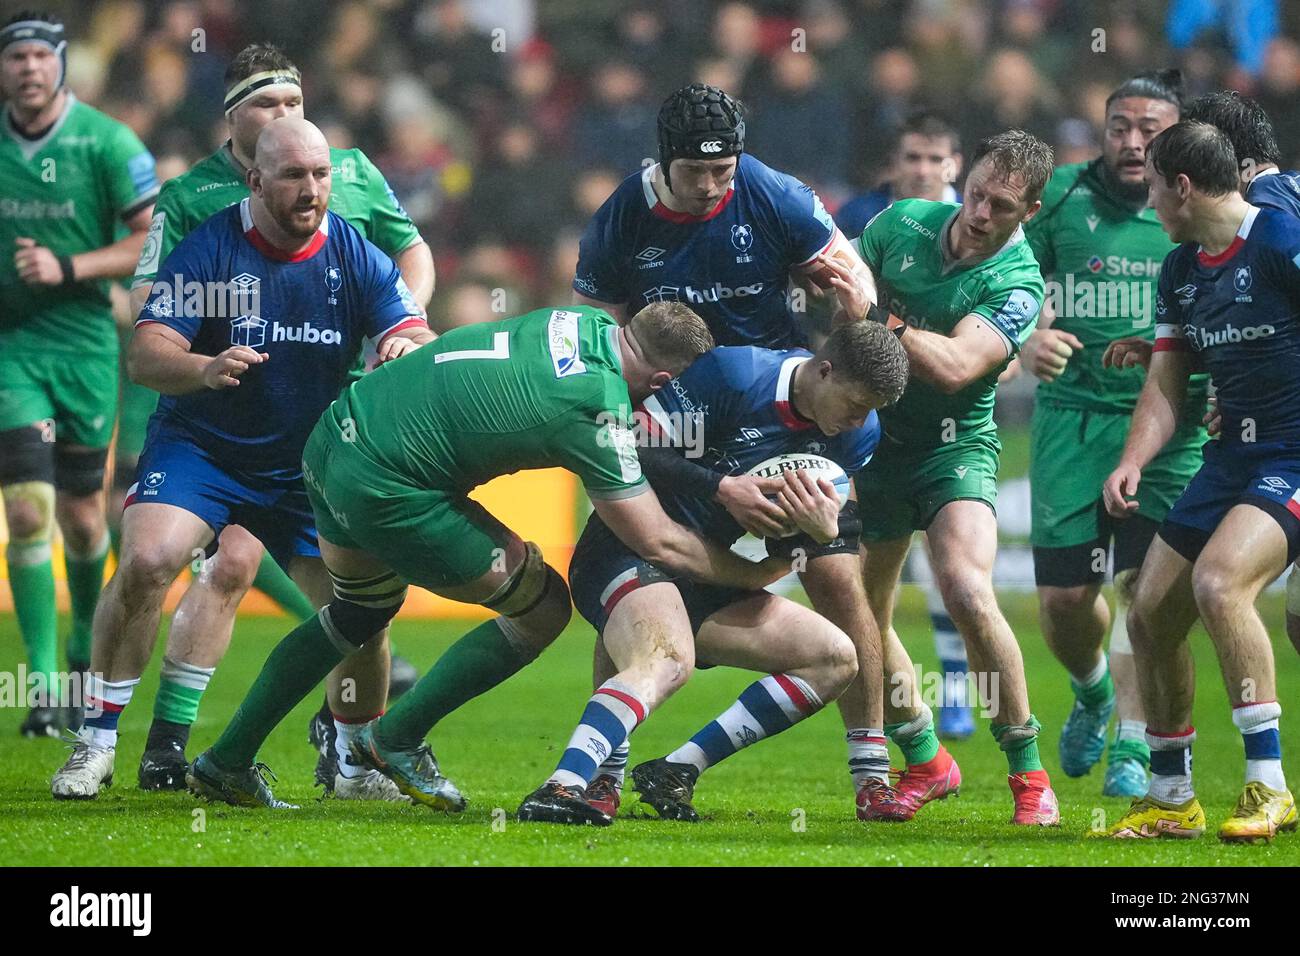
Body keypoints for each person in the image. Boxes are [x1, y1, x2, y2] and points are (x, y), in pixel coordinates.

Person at [186, 303, 793, 810]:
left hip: (336, 439)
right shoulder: (596, 406)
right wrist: (760, 572)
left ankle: (226, 761)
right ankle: (395, 737)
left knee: (357, 610)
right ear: (662, 381)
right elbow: (656, 539)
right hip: (393, 486)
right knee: (545, 608)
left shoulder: (573, 322)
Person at [49, 118, 433, 801]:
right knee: (147, 560)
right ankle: (97, 741)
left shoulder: (354, 253)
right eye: (293, 176)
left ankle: (353, 765)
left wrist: (403, 344)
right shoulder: (211, 250)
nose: (312, 189)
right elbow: (145, 354)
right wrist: (203, 366)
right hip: (205, 449)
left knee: (366, 611)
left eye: (321, 175)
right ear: (256, 180)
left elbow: (410, 322)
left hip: (308, 464)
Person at [571, 82, 913, 816]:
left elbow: (857, 293)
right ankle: (605, 774)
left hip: (786, 413)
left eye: (725, 170)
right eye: (697, 173)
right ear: (665, 162)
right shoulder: (621, 218)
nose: (713, 186)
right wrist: (616, 426)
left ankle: (871, 773)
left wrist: (852, 310)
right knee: (638, 575)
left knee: (840, 581)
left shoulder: (777, 195)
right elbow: (595, 340)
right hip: (678, 416)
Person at [523, 320, 910, 826]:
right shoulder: (734, 375)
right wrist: (721, 487)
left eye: (870, 412)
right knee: (664, 657)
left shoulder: (856, 434)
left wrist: (820, 534)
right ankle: (567, 784)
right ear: (825, 370)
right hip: (626, 549)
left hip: (703, 571)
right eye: (856, 404)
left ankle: (677, 769)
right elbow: (626, 447)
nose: (860, 421)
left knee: (835, 658)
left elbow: (810, 533)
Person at [847, 129, 1062, 825]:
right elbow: (832, 297)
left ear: (1028, 211)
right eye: (974, 193)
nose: (978, 213)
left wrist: (882, 318)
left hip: (954, 448)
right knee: (859, 616)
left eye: (1000, 206)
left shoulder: (1018, 281)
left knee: (967, 589)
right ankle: (926, 760)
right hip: (874, 440)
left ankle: (1029, 777)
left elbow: (959, 367)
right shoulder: (900, 223)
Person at [1100, 121, 1298, 843]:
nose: (1147, 199)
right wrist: (1133, 461)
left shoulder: (1280, 242)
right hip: (1231, 462)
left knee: (1220, 584)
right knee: (1150, 612)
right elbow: (1165, 382)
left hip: (1293, 456)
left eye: (1152, 185)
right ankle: (1172, 796)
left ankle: (1269, 787)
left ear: (1182, 186)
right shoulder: (1182, 270)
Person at [1017, 71, 1203, 799]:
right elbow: (1010, 275)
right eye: (1119, 126)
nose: (1133, 142)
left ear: (1176, 134)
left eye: (1149, 128)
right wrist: (1030, 337)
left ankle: (1133, 741)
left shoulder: (1191, 200)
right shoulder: (1059, 195)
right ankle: (1093, 689)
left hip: (1170, 429)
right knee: (1065, 605)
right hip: (1071, 419)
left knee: (1143, 588)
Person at [0, 11, 157, 737]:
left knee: (85, 517)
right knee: (28, 509)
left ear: (60, 64)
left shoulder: (107, 143)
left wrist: (70, 266)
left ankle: (77, 662)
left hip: (88, 343)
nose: (28, 68)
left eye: (40, 55)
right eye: (15, 57)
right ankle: (39, 687)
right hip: (12, 347)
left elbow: (146, 240)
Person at [1104, 91, 1300, 657]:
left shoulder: (1268, 217)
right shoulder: (1284, 195)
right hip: (1257, 443)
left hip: (1285, 449)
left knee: (1219, 586)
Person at [837, 111, 975, 741]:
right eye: (911, 158)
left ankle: (954, 691)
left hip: (950, 426)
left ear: (955, 167)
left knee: (950, 574)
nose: (922, 169)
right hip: (874, 418)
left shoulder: (982, 231)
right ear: (895, 165)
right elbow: (833, 295)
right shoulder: (867, 217)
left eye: (934, 159)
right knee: (869, 576)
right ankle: (897, 714)